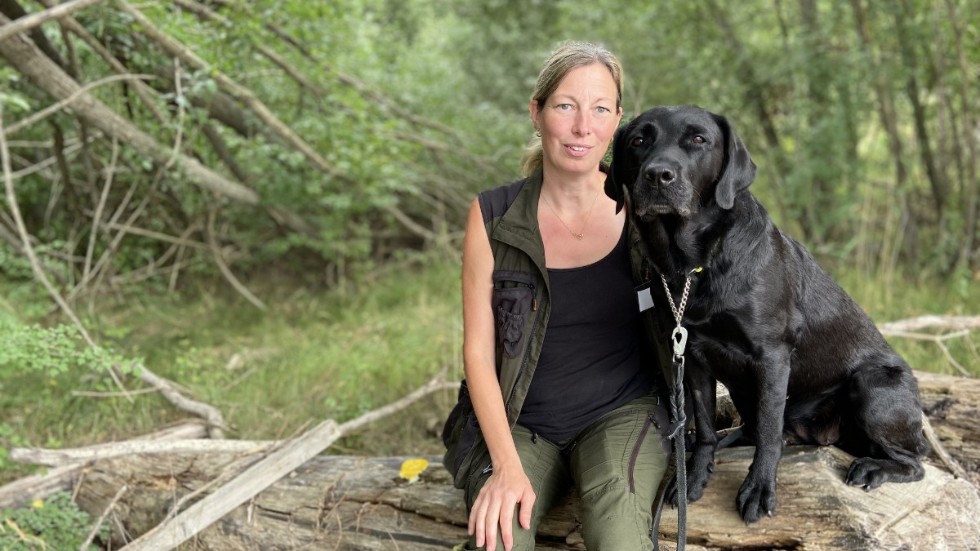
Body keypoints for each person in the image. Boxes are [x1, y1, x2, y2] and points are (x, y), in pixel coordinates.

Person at [442, 40, 671, 551]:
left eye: (600, 109)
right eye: (566, 106)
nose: (583, 127)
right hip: (519, 422)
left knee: (618, 536)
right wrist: (505, 466)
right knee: (499, 538)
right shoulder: (493, 216)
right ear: (537, 112)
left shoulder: (646, 211)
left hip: (623, 411)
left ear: (618, 121)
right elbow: (477, 353)